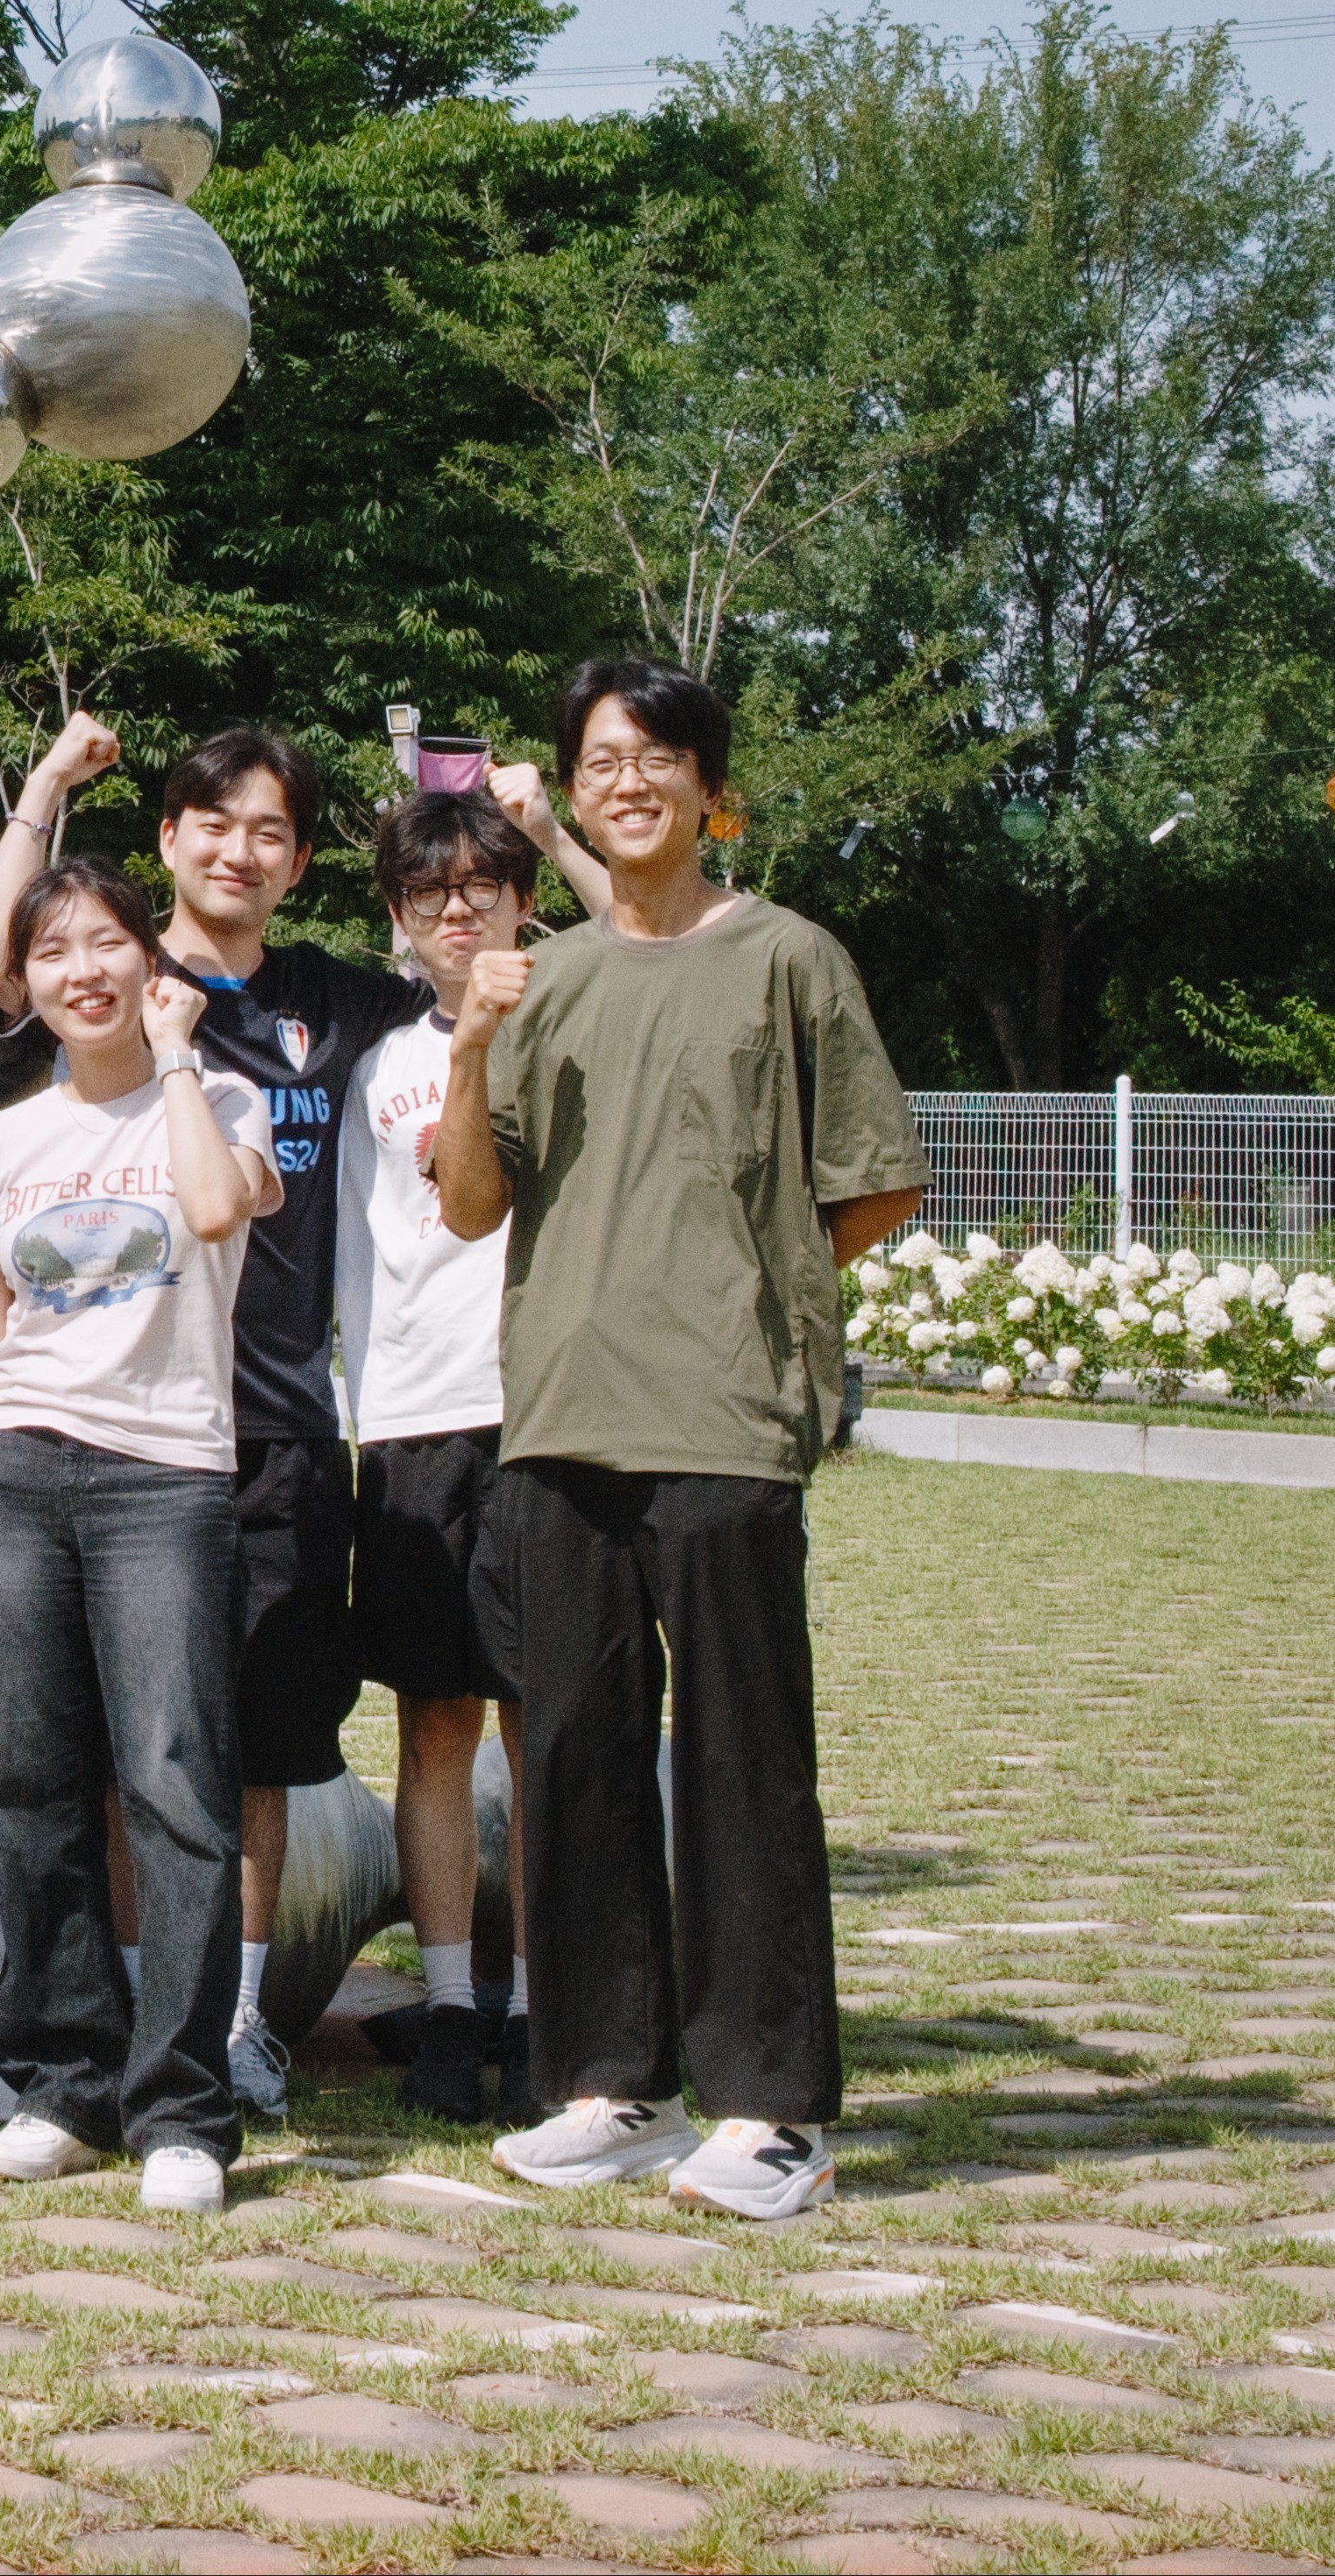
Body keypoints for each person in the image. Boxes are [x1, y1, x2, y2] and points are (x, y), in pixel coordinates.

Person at [429, 655, 925, 2226]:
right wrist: (463, 1040)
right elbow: (467, 1201)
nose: (624, 779)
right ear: (564, 789)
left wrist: (752, 1300)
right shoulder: (544, 976)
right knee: (569, 1759)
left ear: (709, 785)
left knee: (736, 1761)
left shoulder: (785, 957)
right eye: (596, 757)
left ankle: (768, 2105)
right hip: (558, 1416)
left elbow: (873, 1183)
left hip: (721, 1414)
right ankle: (607, 2083)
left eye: (655, 755)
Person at [0, 719, 409, 2117]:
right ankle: (90, 2043)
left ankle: (239, 2020)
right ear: (166, 837)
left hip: (265, 1418)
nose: (239, 850)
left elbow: (468, 981)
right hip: (85, 1427)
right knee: (77, 1758)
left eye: (271, 830)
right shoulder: (114, 976)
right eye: (212, 823)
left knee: (244, 1749)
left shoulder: (331, 1002)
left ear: (301, 859)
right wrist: (45, 786)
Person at [0, 861, 277, 2214]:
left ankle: (182, 2104)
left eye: (107, 945)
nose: (82, 971)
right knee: (33, 1780)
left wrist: (180, 1061)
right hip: (17, 1472)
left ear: (151, 960)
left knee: (178, 1783)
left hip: (166, 1481)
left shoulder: (222, 1104)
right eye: (54, 951)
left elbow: (209, 1210)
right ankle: (63, 2081)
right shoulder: (3, 1143)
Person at [332, 791, 549, 2124]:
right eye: (428, 894)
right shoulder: (373, 1055)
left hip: (547, 1411)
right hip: (411, 1412)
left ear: (525, 898)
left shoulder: (580, 1017)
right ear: (398, 918)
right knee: (433, 1724)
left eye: (481, 886)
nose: (456, 911)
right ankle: (455, 1998)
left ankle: (546, 2004)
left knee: (548, 1724)